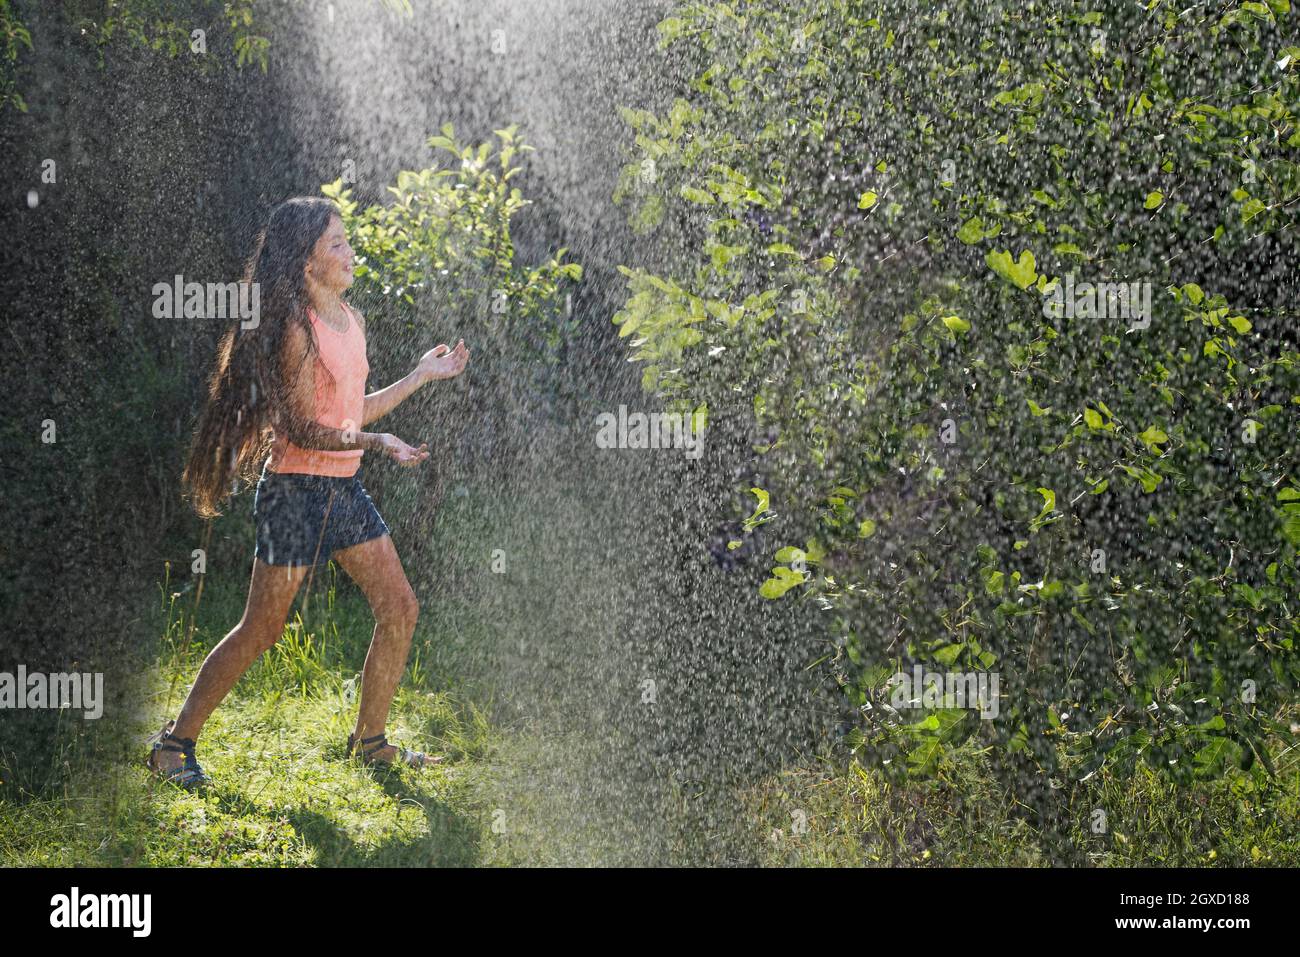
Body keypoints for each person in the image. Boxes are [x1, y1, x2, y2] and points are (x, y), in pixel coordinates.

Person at [146, 196, 469, 788]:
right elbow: (296, 427)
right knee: (262, 628)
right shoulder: (295, 327)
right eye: (337, 245)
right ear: (306, 264)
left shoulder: (353, 319)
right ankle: (174, 744)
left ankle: (370, 744)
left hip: (343, 490)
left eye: (347, 241)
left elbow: (352, 411)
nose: (351, 253)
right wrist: (376, 443)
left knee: (400, 608)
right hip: (296, 492)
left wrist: (421, 376)